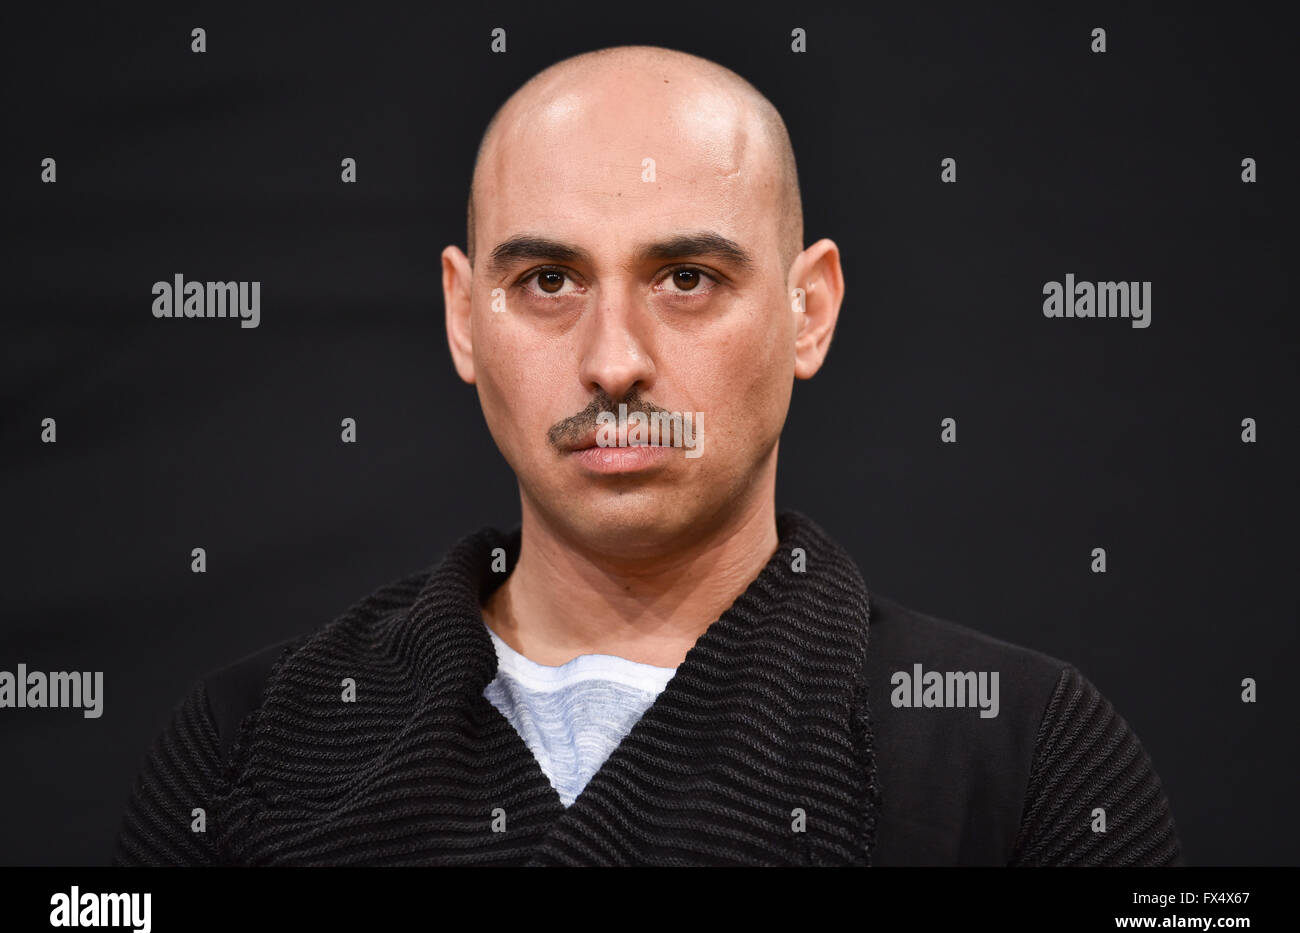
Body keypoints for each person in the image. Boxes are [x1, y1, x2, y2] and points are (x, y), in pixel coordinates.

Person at [112, 44, 1182, 866]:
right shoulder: (246, 745)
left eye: (685, 279)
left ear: (809, 311)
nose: (613, 363)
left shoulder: (1021, 753)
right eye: (546, 281)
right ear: (461, 316)